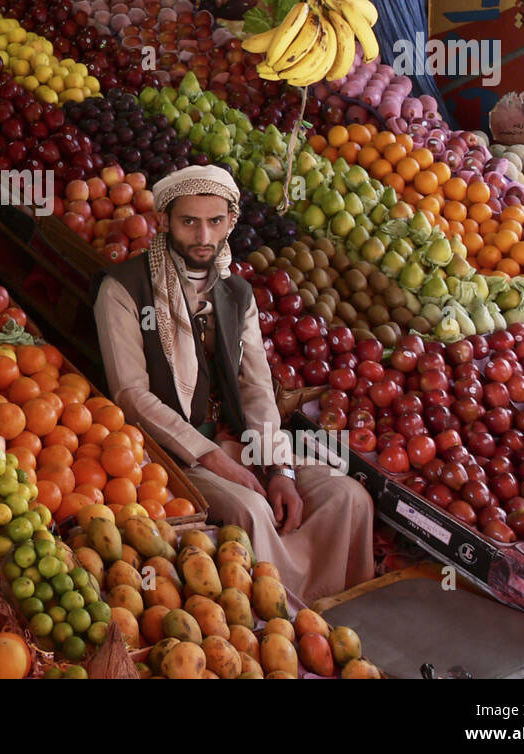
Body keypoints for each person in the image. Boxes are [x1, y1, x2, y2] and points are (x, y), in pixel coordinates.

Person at [92, 164, 374, 604]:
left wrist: (278, 468)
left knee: (346, 495)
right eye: (190, 222)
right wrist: (215, 460)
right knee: (251, 510)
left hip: (237, 441)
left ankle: (336, 615)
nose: (204, 236)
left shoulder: (236, 293)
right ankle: (279, 624)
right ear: (165, 221)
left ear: (230, 222)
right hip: (173, 450)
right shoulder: (123, 291)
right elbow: (131, 395)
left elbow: (257, 388)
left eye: (215, 221)